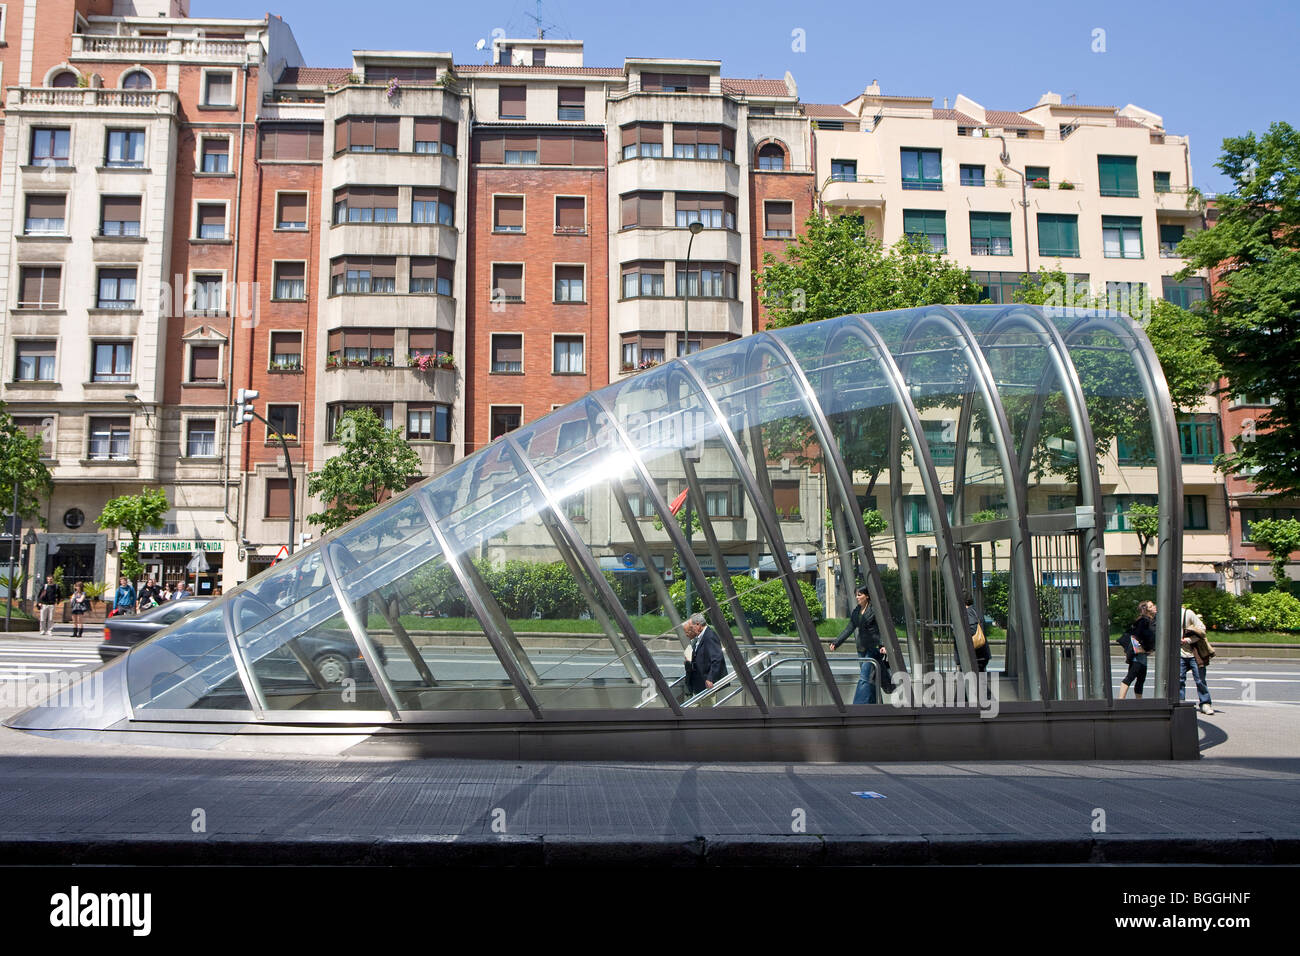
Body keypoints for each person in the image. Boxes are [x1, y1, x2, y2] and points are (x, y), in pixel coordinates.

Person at [829, 585, 888, 704]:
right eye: (856, 594)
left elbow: (882, 628)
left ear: (867, 596)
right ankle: (875, 705)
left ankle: (858, 706)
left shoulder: (874, 610)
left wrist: (882, 645)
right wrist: (836, 643)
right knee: (870, 679)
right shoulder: (857, 611)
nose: (857, 597)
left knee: (864, 678)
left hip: (873, 648)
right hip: (861, 648)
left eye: (859, 595)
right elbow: (849, 628)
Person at [1179, 605, 1215, 715]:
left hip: (1195, 653)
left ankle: (1205, 703)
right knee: (1179, 680)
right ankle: (1180, 703)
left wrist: (1189, 640)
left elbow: (1202, 629)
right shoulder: (1167, 616)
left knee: (1200, 680)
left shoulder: (1187, 613)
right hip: (1179, 653)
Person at [1119, 600, 1157, 699]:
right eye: (1151, 606)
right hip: (1137, 656)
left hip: (1142, 655)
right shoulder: (1143, 621)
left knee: (1141, 679)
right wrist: (1139, 650)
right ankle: (1120, 701)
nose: (1154, 607)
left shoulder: (1150, 620)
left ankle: (1139, 702)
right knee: (1130, 677)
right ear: (1146, 610)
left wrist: (1148, 650)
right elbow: (1135, 636)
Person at [682, 612, 726, 696]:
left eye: (691, 627)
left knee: (706, 708)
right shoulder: (701, 636)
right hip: (698, 685)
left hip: (705, 686)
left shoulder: (710, 636)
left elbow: (717, 659)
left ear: (698, 625)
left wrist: (710, 678)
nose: (691, 629)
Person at [963, 592, 991, 673]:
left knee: (973, 681)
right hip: (981, 654)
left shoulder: (968, 612)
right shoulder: (975, 611)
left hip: (975, 655)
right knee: (979, 681)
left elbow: (972, 629)